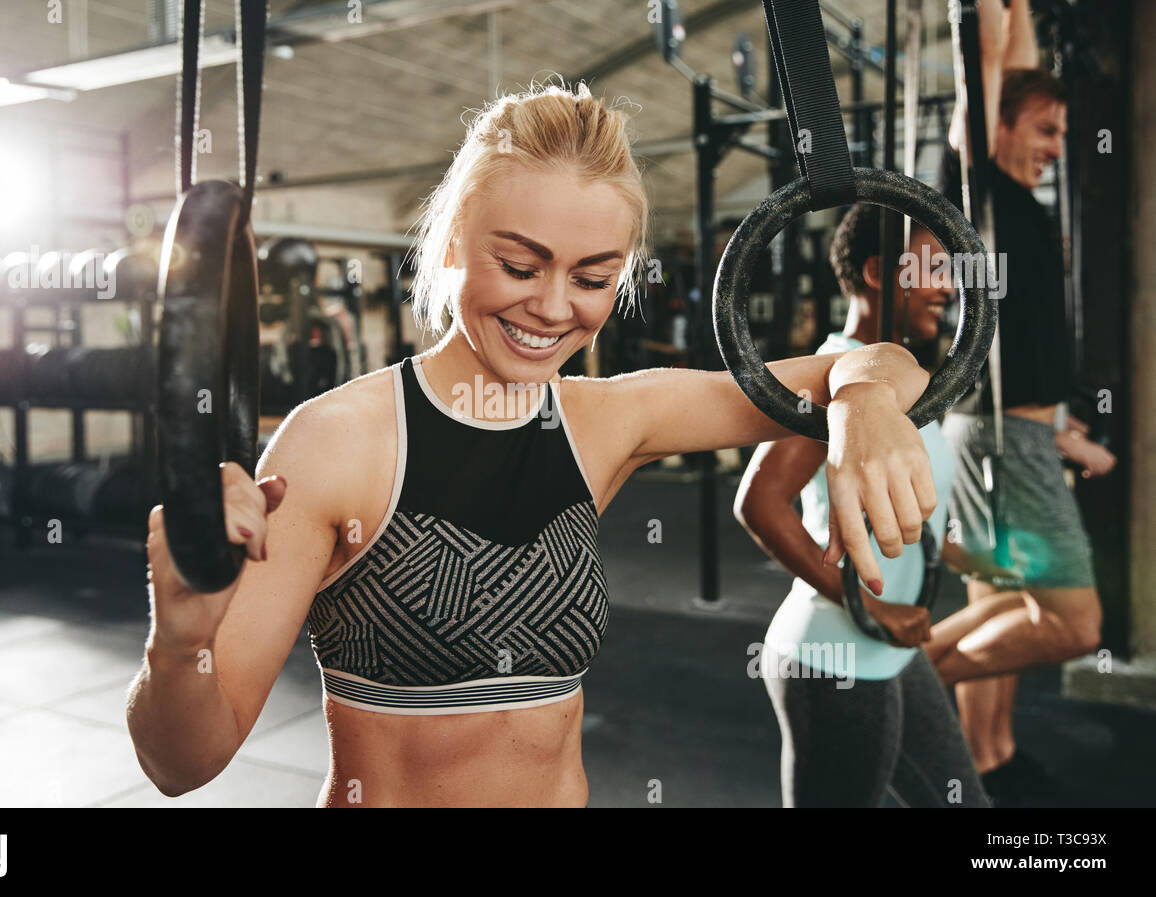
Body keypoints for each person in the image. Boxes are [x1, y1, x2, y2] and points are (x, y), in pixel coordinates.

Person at [127, 81, 941, 808]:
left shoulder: (607, 422)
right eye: (520, 264)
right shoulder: (337, 443)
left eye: (592, 279)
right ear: (450, 245)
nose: (553, 308)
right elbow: (182, 764)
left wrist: (861, 399)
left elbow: (888, 359)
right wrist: (180, 644)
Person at [735, 203, 989, 808]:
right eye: (932, 267)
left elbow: (899, 513)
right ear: (879, 272)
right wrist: (870, 604)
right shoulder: (833, 382)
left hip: (888, 647)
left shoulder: (900, 387)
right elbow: (760, 502)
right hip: (833, 653)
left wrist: (972, 559)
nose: (948, 287)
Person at [933, 0, 1114, 805]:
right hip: (1003, 438)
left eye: (1062, 133)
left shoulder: (1013, 200)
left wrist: (1023, 16)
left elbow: (1016, 79)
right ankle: (904, 674)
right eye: (1045, 131)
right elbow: (985, 82)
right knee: (1074, 624)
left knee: (1002, 599)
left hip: (1006, 430)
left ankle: (988, 754)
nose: (1055, 146)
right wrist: (992, 14)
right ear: (999, 129)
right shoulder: (983, 192)